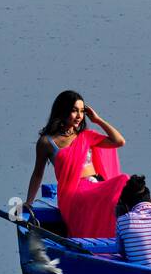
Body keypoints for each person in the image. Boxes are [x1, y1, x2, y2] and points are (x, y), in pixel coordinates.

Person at [24, 90, 128, 238]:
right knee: (122, 181)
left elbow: (119, 141)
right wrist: (29, 201)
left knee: (124, 183)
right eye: (74, 111)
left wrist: (98, 120)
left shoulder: (85, 136)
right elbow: (37, 173)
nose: (79, 116)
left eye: (81, 111)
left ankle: (132, 233)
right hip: (74, 193)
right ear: (62, 111)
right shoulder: (47, 142)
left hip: (96, 185)